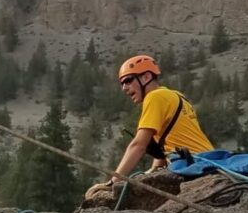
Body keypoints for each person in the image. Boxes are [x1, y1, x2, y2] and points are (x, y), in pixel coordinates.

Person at [86, 54, 214, 198]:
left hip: (194, 164)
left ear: (146, 77)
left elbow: (138, 145)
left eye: (128, 80)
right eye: (122, 83)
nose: (124, 88)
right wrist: (154, 169)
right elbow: (168, 141)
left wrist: (112, 183)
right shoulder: (176, 95)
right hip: (209, 160)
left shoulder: (155, 97)